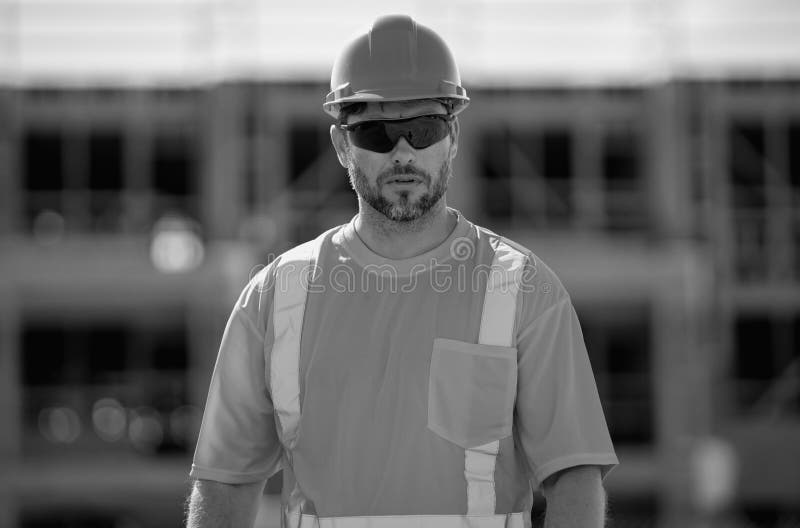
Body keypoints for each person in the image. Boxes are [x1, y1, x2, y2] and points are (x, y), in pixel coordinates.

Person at [186, 14, 617, 528]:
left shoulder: (523, 289)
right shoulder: (275, 296)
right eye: (376, 133)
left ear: (452, 136)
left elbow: (574, 479)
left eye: (423, 128)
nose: (404, 152)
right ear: (342, 145)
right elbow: (225, 483)